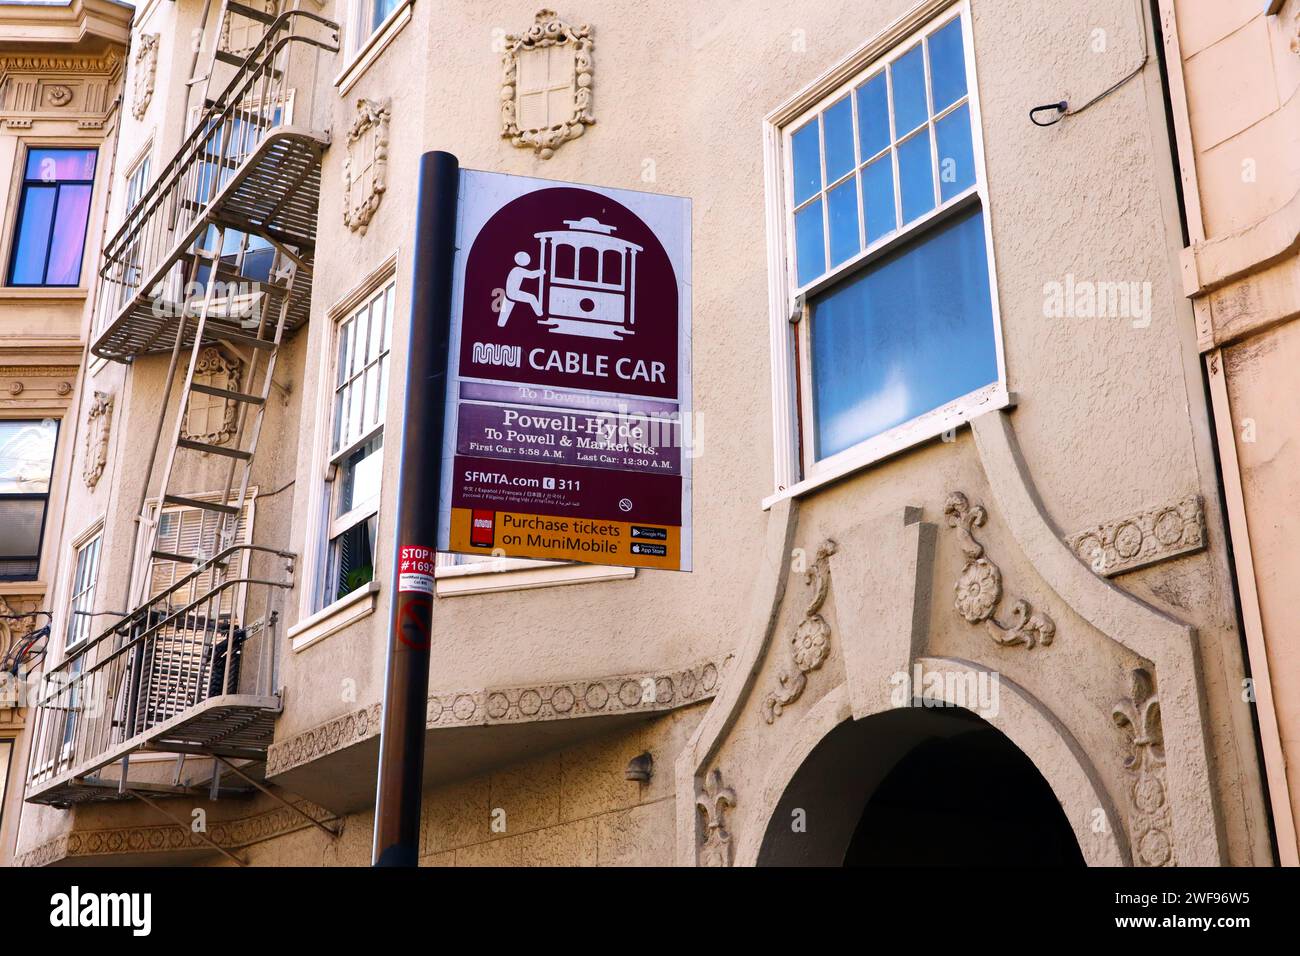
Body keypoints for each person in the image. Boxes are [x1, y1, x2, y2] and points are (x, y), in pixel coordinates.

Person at [499, 251, 544, 328]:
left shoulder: (514, 269)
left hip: (508, 293)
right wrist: (542, 271)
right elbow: (532, 275)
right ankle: (541, 314)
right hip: (513, 294)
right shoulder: (518, 270)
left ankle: (500, 324)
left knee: (503, 315)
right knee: (532, 298)